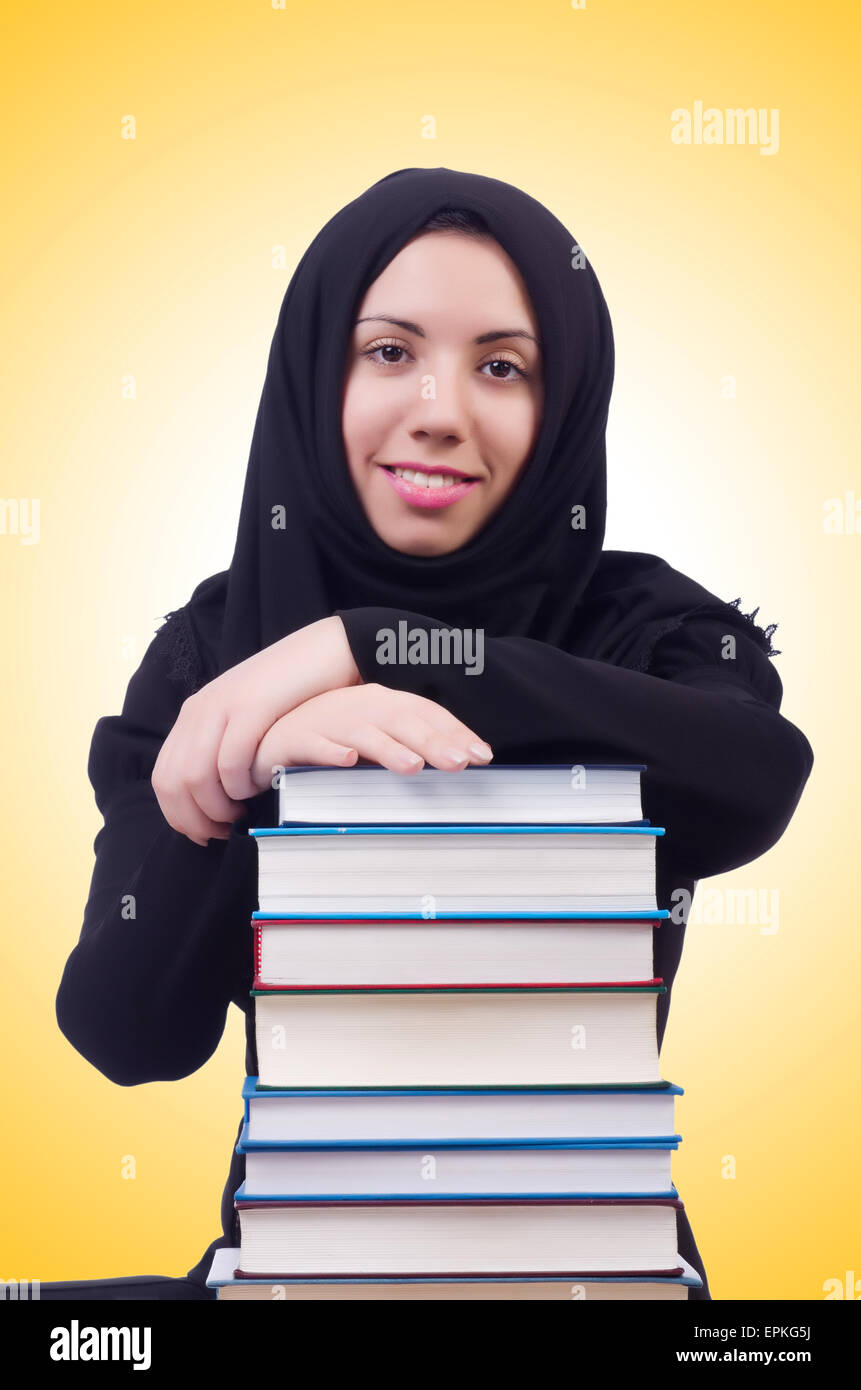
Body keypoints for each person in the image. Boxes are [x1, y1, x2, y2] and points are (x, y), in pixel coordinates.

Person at [50, 166, 813, 1300]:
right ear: (317, 373)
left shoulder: (650, 630)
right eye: (389, 350)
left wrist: (378, 644)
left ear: (563, 408)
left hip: (601, 1274)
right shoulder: (219, 651)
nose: (443, 409)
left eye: (502, 366)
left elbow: (754, 775)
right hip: (295, 1265)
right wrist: (258, 759)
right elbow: (127, 1032)